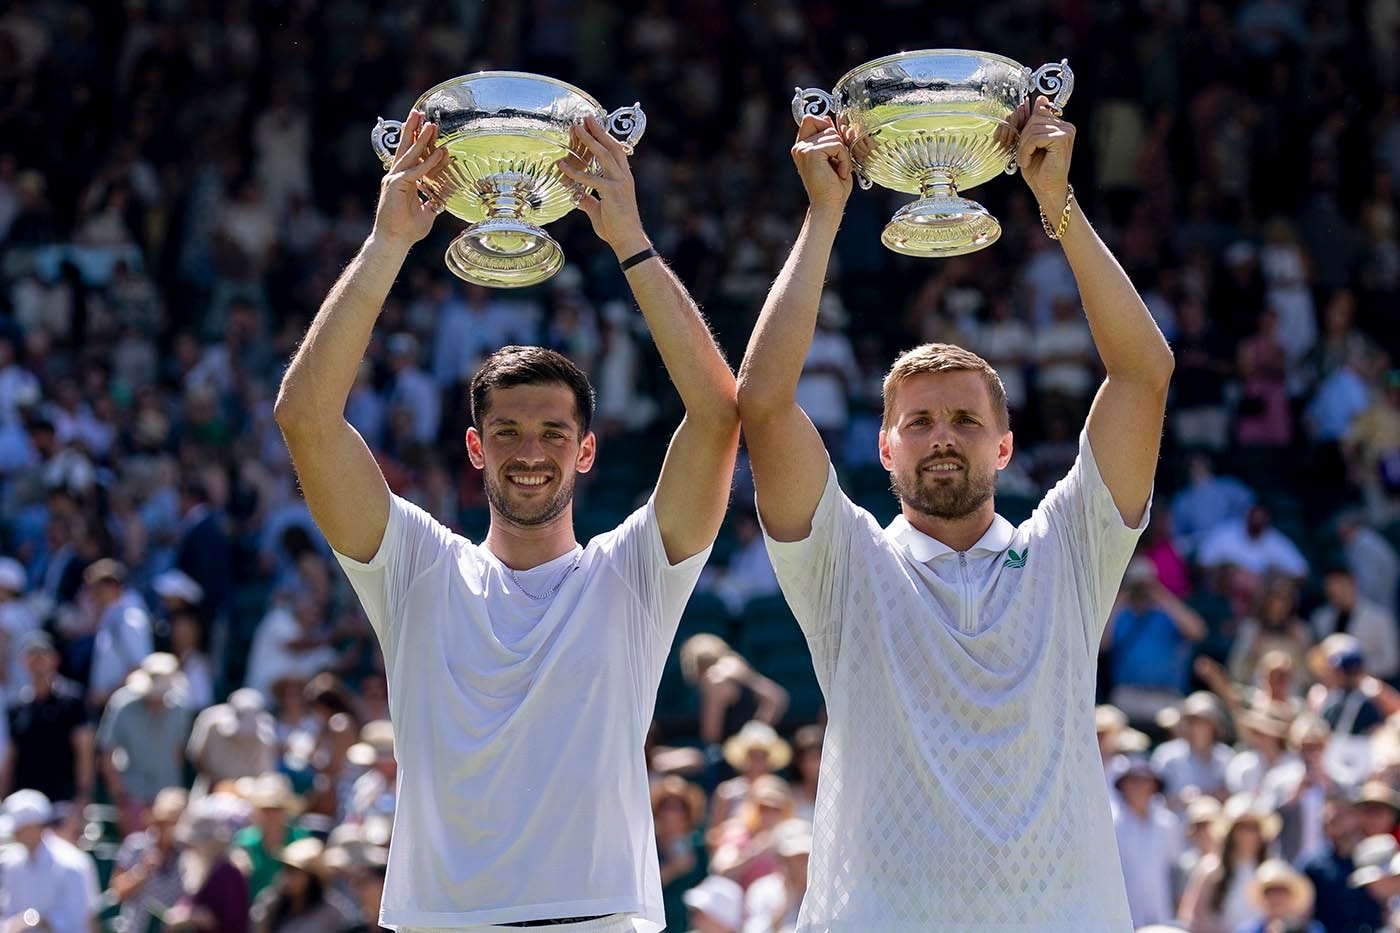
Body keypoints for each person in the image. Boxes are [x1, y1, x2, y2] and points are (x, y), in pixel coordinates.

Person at [274, 109, 738, 930]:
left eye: (554, 432)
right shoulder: (416, 567)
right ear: (474, 448)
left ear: (587, 451)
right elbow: (306, 416)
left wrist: (629, 238)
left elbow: (716, 415)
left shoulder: (633, 573)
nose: (533, 451)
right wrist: (388, 243)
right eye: (510, 432)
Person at [735, 96, 1174, 928]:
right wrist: (824, 217)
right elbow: (763, 400)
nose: (944, 438)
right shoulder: (846, 562)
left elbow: (1143, 372)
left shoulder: (1069, 550)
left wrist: (1060, 207)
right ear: (884, 448)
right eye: (921, 422)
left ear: (1004, 447)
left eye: (968, 420)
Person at [0, 789, 102, 931]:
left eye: (19, 828)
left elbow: (78, 921)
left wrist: (35, 920)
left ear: (33, 826)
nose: (14, 833)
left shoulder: (72, 863)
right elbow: (8, 917)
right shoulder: (12, 864)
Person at [678, 635, 788, 748]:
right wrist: (755, 732)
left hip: (729, 754)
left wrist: (748, 739)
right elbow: (777, 698)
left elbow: (711, 735)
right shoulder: (737, 669)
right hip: (746, 751)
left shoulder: (714, 679)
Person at [1236, 859, 1323, 933]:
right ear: (1263, 897)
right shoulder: (1247, 931)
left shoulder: (1311, 930)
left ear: (1291, 896)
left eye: (1281, 891)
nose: (1276, 898)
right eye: (1271, 891)